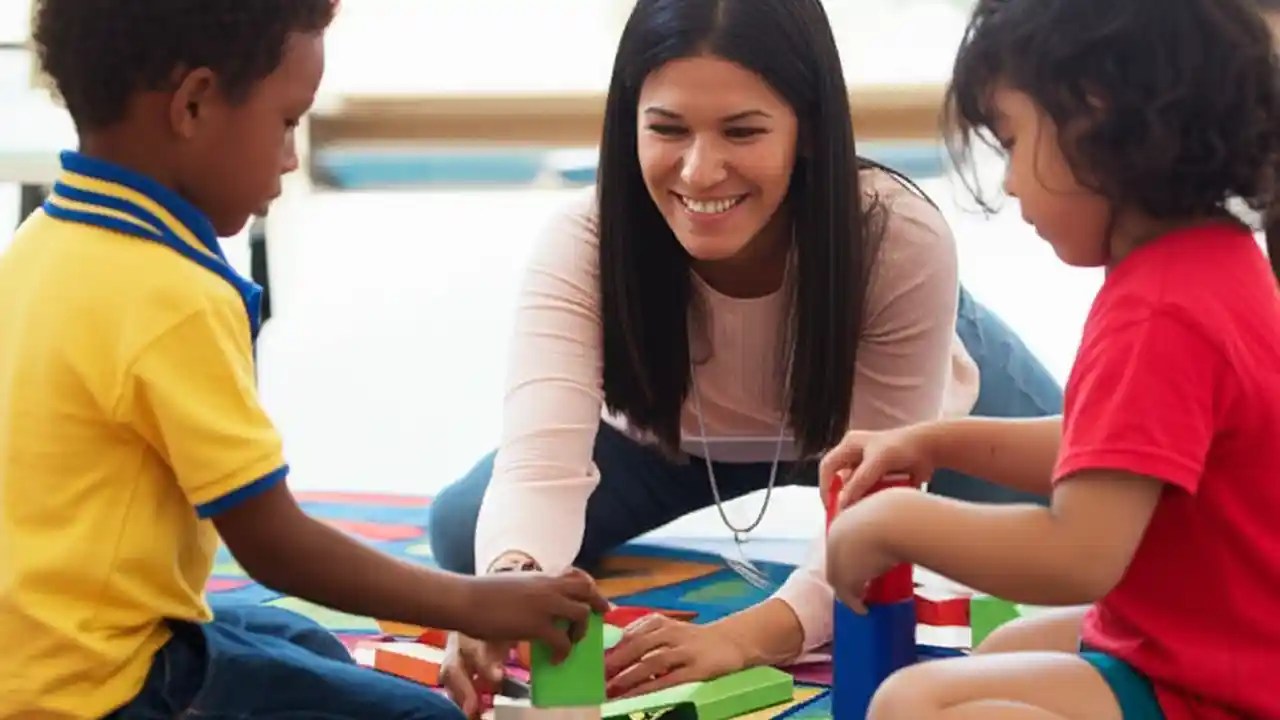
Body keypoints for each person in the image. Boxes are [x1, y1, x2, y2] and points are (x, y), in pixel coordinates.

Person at [429, 0, 1064, 702]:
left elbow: (876, 521)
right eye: (667, 129)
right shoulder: (583, 241)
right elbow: (538, 472)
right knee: (468, 540)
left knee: (1102, 511)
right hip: (674, 442)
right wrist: (507, 586)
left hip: (893, 421)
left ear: (810, 131)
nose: (701, 172)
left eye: (743, 131)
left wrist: (746, 634)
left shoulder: (897, 234)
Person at [0, 3, 608, 719]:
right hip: (97, 691)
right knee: (427, 717)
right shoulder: (176, 296)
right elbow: (274, 545)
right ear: (194, 105)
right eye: (286, 122)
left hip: (32, 649)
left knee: (292, 637)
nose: (291, 156)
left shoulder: (39, 242)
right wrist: (474, 601)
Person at [822, 0, 1280, 718]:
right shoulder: (1215, 263)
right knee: (1002, 654)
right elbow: (1114, 453)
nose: (1007, 183)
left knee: (913, 704)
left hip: (1217, 690)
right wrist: (937, 439)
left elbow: (1077, 554)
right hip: (1218, 646)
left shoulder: (1159, 311)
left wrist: (895, 521)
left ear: (1094, 118)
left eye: (1010, 140)